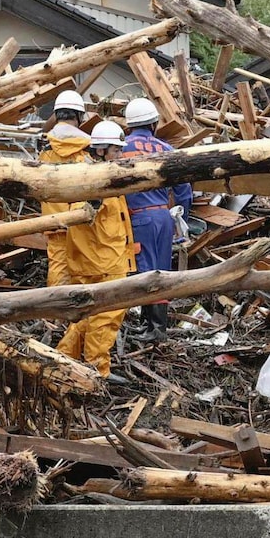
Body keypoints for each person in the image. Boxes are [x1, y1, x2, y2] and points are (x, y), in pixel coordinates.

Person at [39, 117, 135, 375]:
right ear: (101, 151)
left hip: (95, 258)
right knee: (106, 318)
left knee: (84, 317)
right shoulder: (96, 179)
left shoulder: (90, 172)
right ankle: (96, 371)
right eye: (116, 150)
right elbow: (85, 211)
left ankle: (62, 360)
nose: (121, 156)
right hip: (104, 262)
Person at [117, 98, 190, 337]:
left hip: (138, 219)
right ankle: (155, 326)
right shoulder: (166, 149)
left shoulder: (121, 149)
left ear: (129, 125)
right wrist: (181, 219)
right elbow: (183, 190)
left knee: (146, 272)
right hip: (163, 217)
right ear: (153, 124)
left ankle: (153, 328)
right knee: (162, 270)